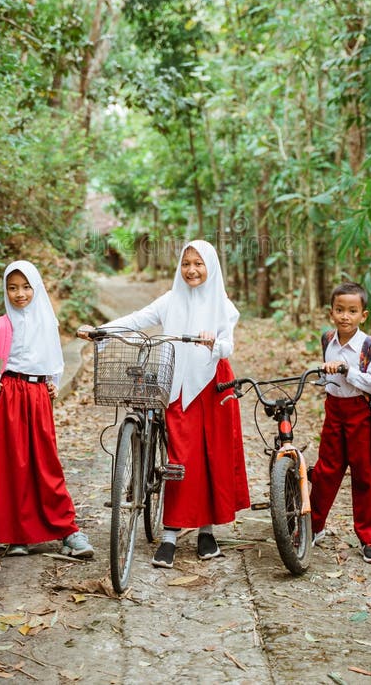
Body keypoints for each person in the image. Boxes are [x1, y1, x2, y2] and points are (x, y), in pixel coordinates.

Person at [78, 239, 250, 569]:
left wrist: (215, 342)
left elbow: (228, 343)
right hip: (177, 383)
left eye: (199, 264)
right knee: (180, 459)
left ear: (210, 267)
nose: (192, 270)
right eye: (186, 263)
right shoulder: (170, 300)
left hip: (214, 384)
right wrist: (100, 330)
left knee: (211, 456)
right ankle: (170, 534)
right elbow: (137, 319)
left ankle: (206, 531)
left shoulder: (222, 304)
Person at [0, 260, 94, 559]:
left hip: (37, 399)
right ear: (5, 290)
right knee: (13, 465)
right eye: (12, 288)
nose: (19, 294)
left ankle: (67, 530)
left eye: (25, 287)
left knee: (45, 464)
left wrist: (53, 383)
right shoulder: (0, 326)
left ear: (36, 288)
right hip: (9, 397)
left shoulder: (47, 323)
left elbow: (54, 362)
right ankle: (16, 534)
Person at [310, 281, 371, 564]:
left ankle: (369, 537)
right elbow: (327, 377)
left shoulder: (369, 347)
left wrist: (347, 370)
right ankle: (314, 527)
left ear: (363, 315)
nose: (346, 316)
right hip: (334, 410)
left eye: (352, 311)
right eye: (340, 310)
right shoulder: (327, 339)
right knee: (325, 471)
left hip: (361, 413)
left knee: (364, 474)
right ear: (331, 312)